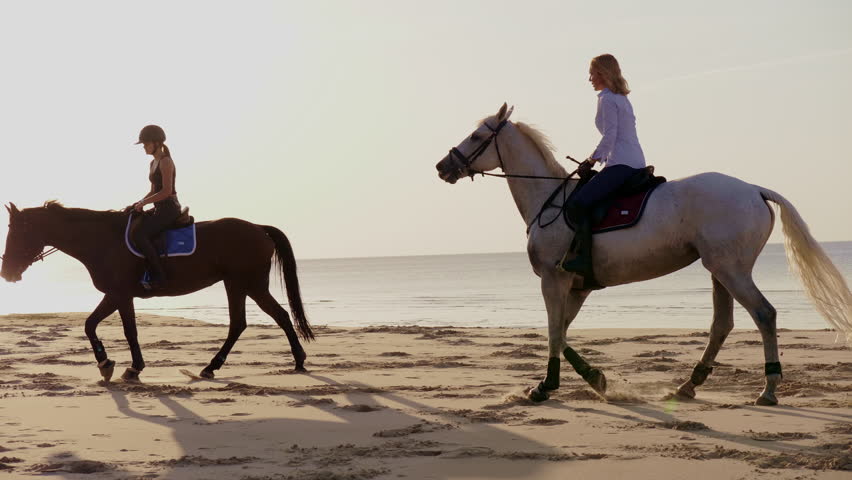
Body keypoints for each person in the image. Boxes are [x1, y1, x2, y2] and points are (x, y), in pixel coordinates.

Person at [558, 54, 646, 276]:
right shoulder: (622, 98)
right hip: (635, 161)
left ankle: (585, 260)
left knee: (577, 204)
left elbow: (610, 136)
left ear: (603, 74)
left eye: (592, 73)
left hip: (620, 163)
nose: (589, 78)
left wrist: (591, 160)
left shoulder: (606, 99)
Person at [130, 124, 181, 290]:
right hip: (159, 207)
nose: (144, 147)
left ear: (156, 143)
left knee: (140, 234)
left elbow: (166, 191)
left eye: (146, 143)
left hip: (169, 209)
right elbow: (153, 191)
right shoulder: (152, 163)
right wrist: (138, 203)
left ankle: (159, 275)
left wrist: (144, 203)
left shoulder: (166, 162)